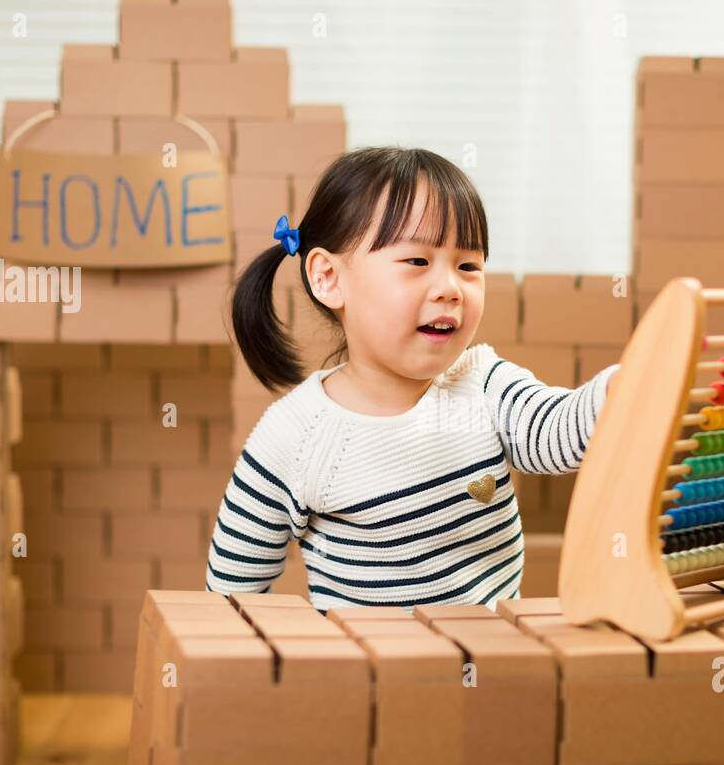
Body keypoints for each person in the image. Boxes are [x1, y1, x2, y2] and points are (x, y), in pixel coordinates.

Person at [205, 145, 619, 610]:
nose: (450, 289)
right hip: (368, 677)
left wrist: (620, 391)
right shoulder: (292, 437)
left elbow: (558, 433)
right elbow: (232, 592)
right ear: (328, 277)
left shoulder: (484, 385)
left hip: (489, 671)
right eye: (417, 262)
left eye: (469, 266)